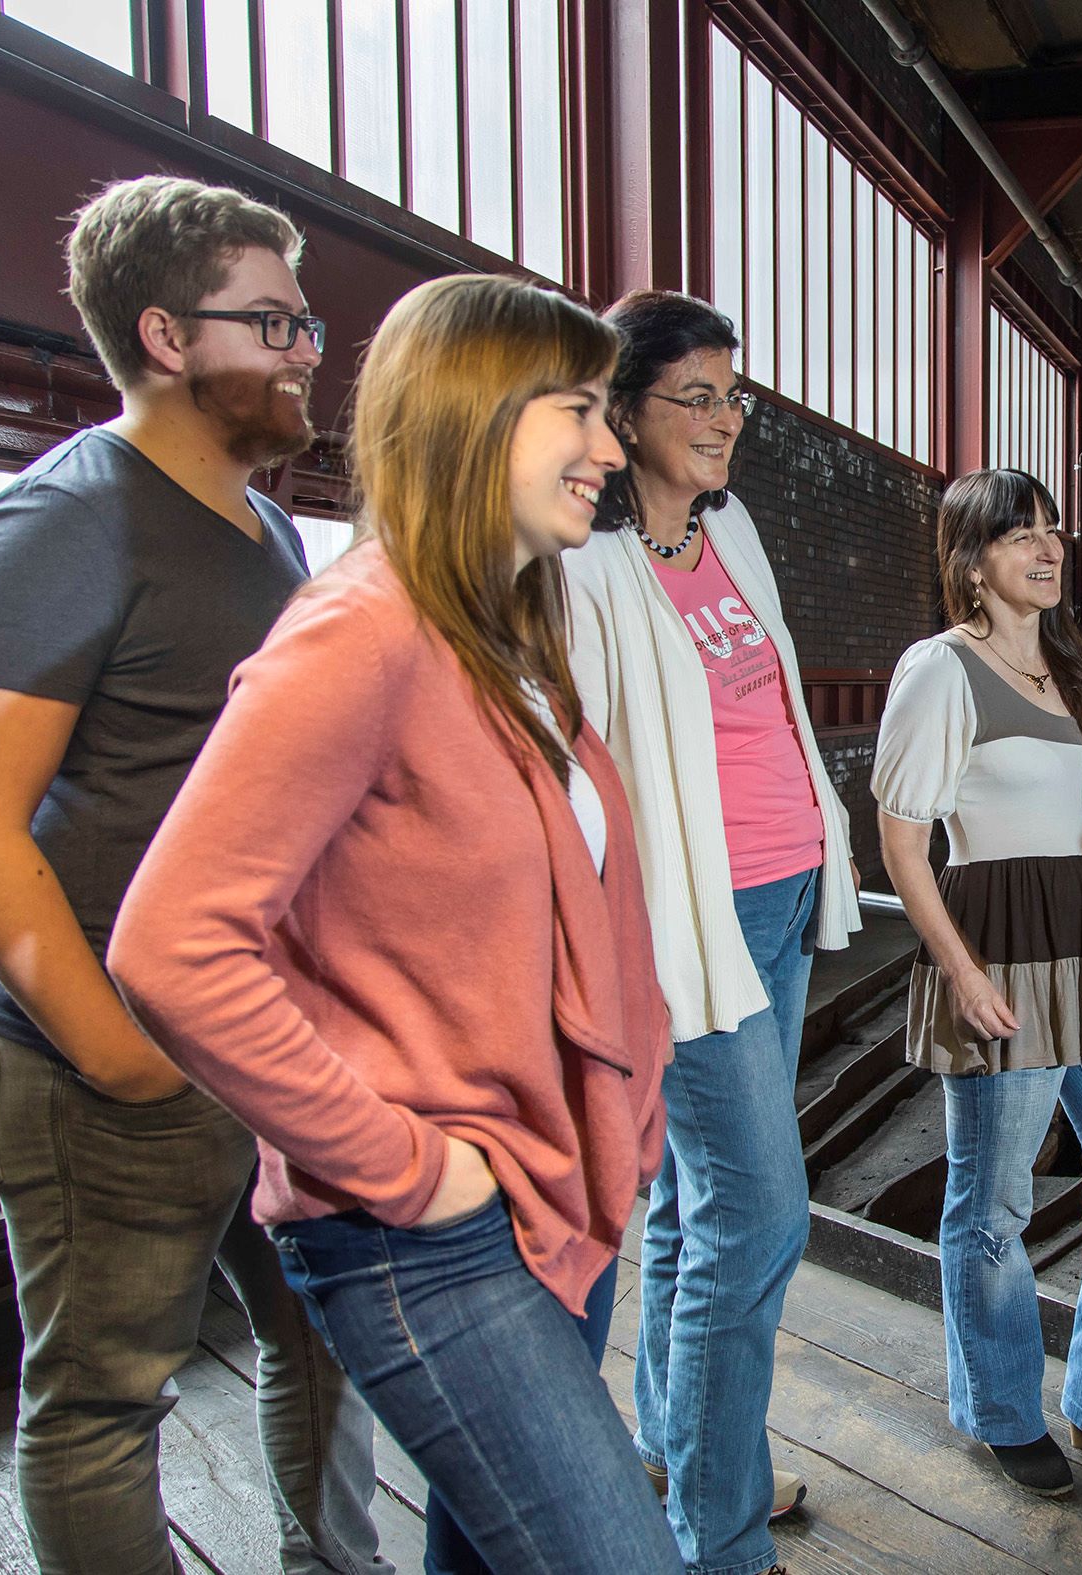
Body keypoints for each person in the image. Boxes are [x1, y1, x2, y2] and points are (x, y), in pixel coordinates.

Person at [108, 273, 680, 1575]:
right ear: (474, 411)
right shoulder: (359, 630)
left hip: (555, 1189)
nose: (610, 445)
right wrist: (400, 1160)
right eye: (579, 411)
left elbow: (575, 915)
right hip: (421, 1227)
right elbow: (171, 941)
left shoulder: (510, 635)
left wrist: (623, 1114)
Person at [0, 175, 385, 1575]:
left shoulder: (268, 527)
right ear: (169, 335)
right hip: (90, 1059)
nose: (310, 351)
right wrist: (122, 1057)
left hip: (245, 1039)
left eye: (308, 324)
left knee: (324, 1343)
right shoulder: (69, 514)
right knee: (108, 1399)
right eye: (279, 323)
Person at [561, 290, 858, 1575]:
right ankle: (719, 1541)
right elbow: (580, 769)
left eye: (733, 395)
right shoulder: (587, 569)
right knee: (758, 1212)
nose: (725, 420)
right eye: (696, 395)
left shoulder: (734, 535)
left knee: (693, 1207)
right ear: (622, 414)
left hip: (786, 890)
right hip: (691, 917)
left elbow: (774, 703)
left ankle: (688, 1455)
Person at [872, 468, 1082, 1498]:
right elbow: (904, 847)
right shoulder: (940, 671)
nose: (1049, 550)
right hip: (1001, 957)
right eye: (1022, 537)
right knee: (992, 1208)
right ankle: (1003, 1410)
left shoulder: (1073, 664)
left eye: (1054, 532)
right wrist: (958, 971)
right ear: (971, 563)